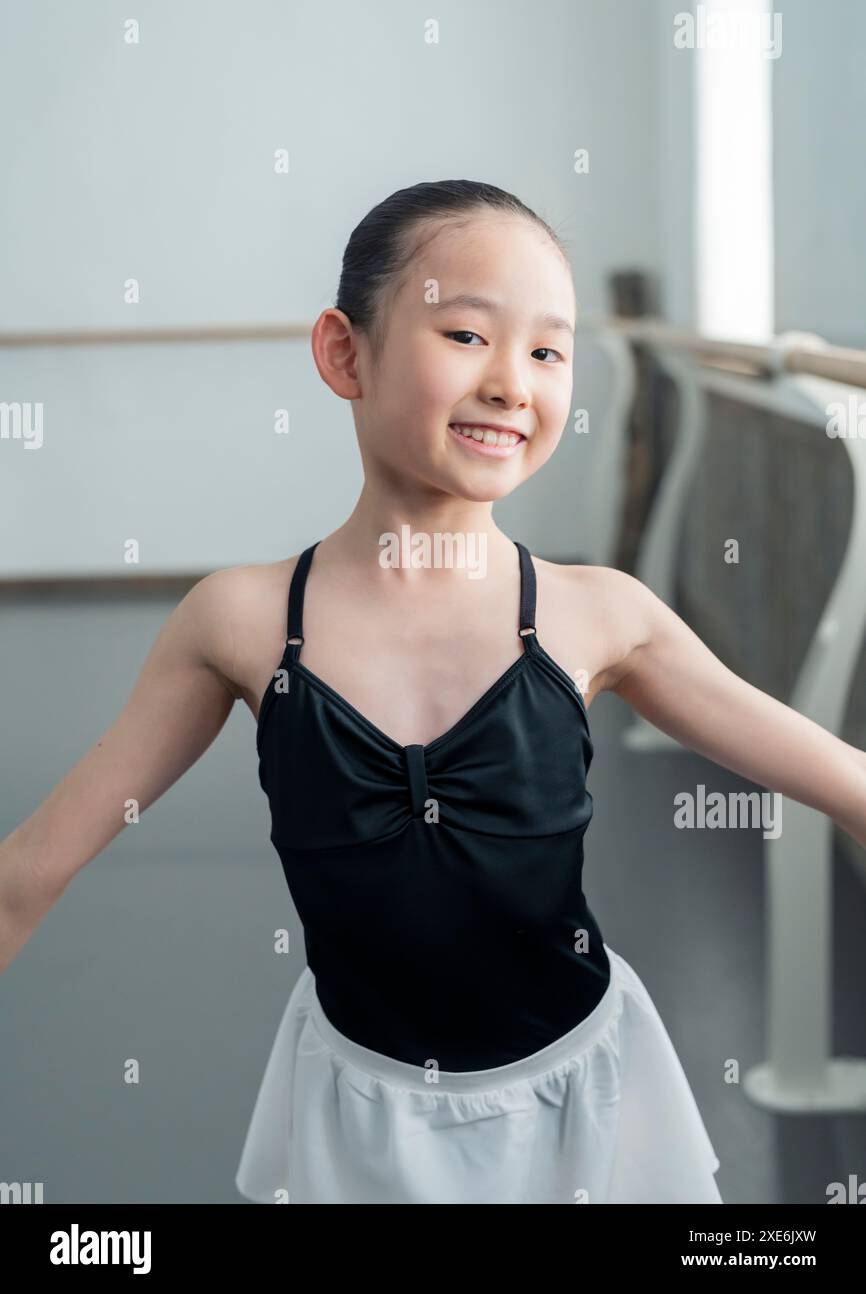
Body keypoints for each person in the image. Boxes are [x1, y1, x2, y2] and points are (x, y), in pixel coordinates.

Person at [2, 180, 865, 1205]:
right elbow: (29, 871)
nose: (511, 382)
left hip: (580, 1109)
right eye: (465, 333)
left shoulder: (600, 615)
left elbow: (847, 781)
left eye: (547, 351)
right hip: (358, 1119)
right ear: (342, 353)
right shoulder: (237, 620)